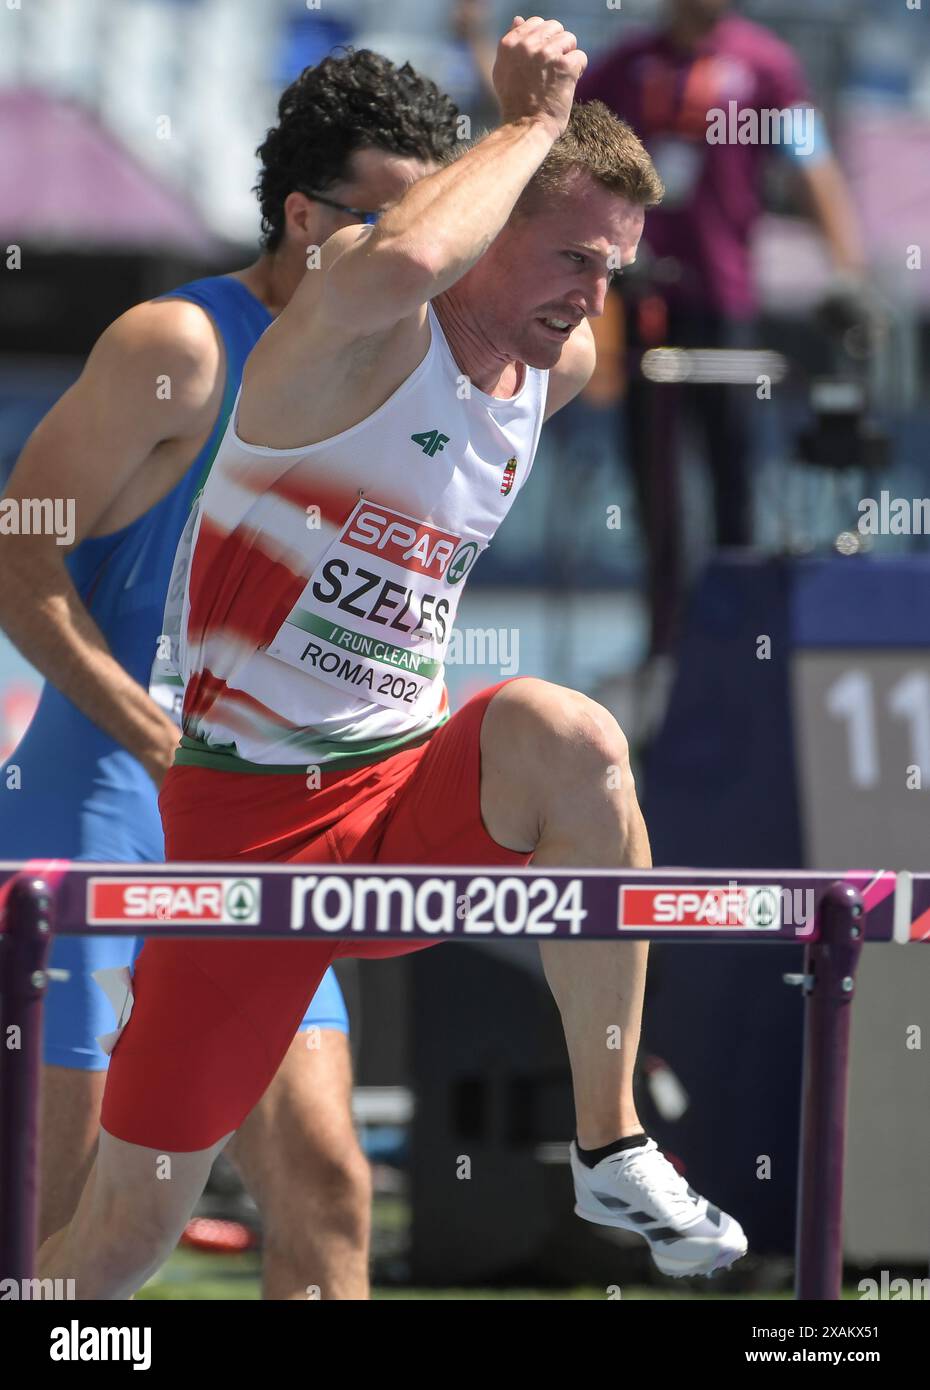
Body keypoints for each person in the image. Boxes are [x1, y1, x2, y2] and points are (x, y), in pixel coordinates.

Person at [40, 16, 748, 1299]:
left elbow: (532, 287)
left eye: (614, 268)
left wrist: (559, 178)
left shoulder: (562, 354)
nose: (594, 298)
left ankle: (612, 1138)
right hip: (237, 831)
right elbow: (419, 247)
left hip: (401, 801)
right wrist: (529, 122)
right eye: (573, 256)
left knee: (572, 734)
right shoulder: (345, 330)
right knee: (111, 1254)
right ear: (480, 230)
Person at [0, 49, 461, 1300]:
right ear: (303, 217)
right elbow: (14, 546)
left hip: (251, 827)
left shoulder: (408, 358)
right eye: (388, 214)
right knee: (65, 1215)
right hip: (100, 802)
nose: (421, 246)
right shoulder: (181, 346)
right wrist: (149, 731)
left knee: (325, 1182)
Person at [576, 0, 867, 662]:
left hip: (726, 303)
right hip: (642, 301)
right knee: (655, 494)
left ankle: (740, 653)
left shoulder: (765, 64)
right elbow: (553, 146)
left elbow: (810, 162)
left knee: (733, 482)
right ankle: (665, 653)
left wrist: (847, 271)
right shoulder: (627, 66)